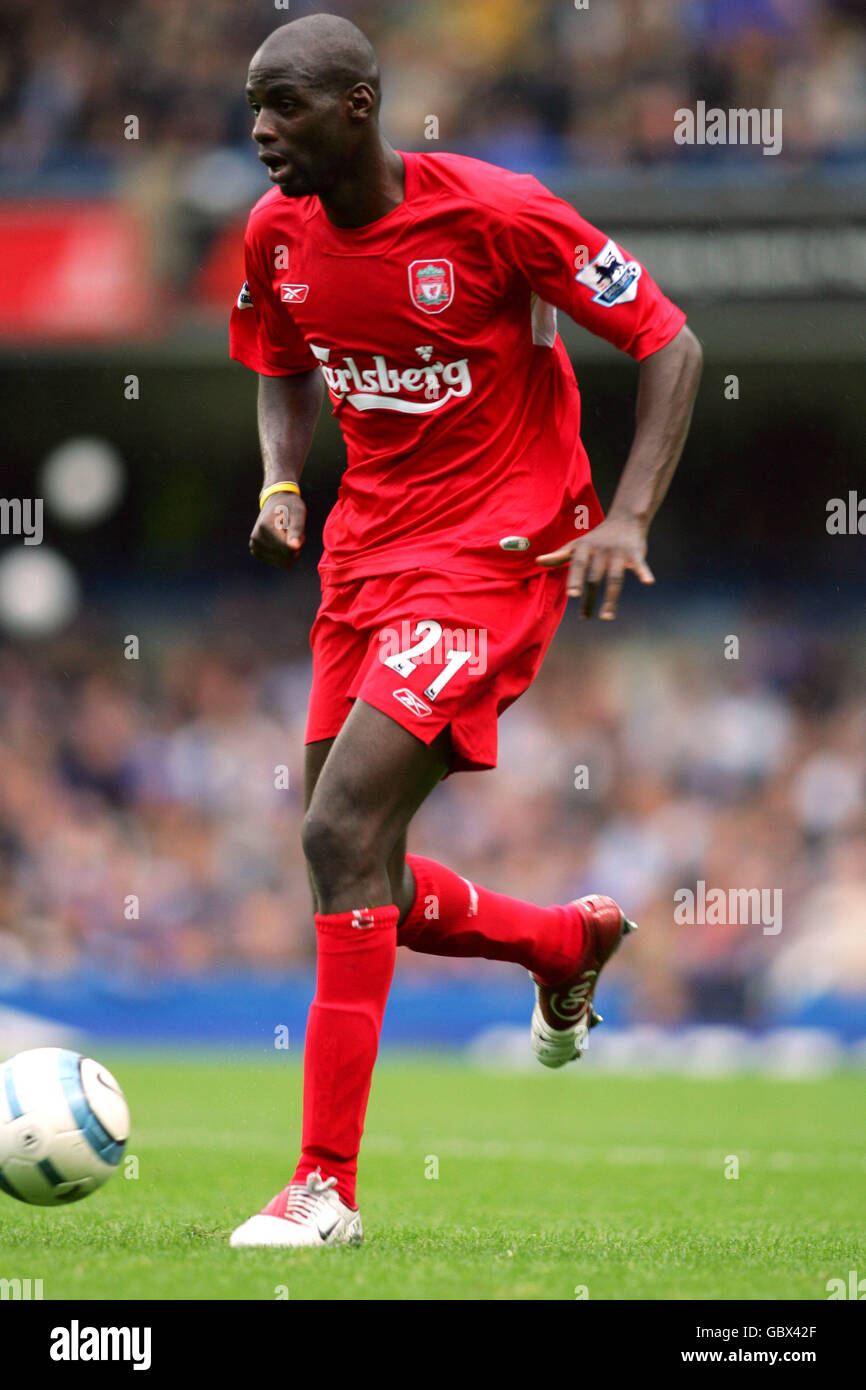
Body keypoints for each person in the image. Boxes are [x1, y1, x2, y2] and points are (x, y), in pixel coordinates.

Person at [227, 14, 703, 1248]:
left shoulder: (496, 214)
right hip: (362, 556)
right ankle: (562, 941)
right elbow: (280, 353)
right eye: (251, 108)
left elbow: (667, 336)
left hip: (496, 551)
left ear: (359, 104)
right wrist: (284, 478)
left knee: (339, 828)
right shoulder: (274, 232)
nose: (261, 131)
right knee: (347, 862)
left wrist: (627, 515)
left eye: (283, 105)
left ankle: (322, 1185)